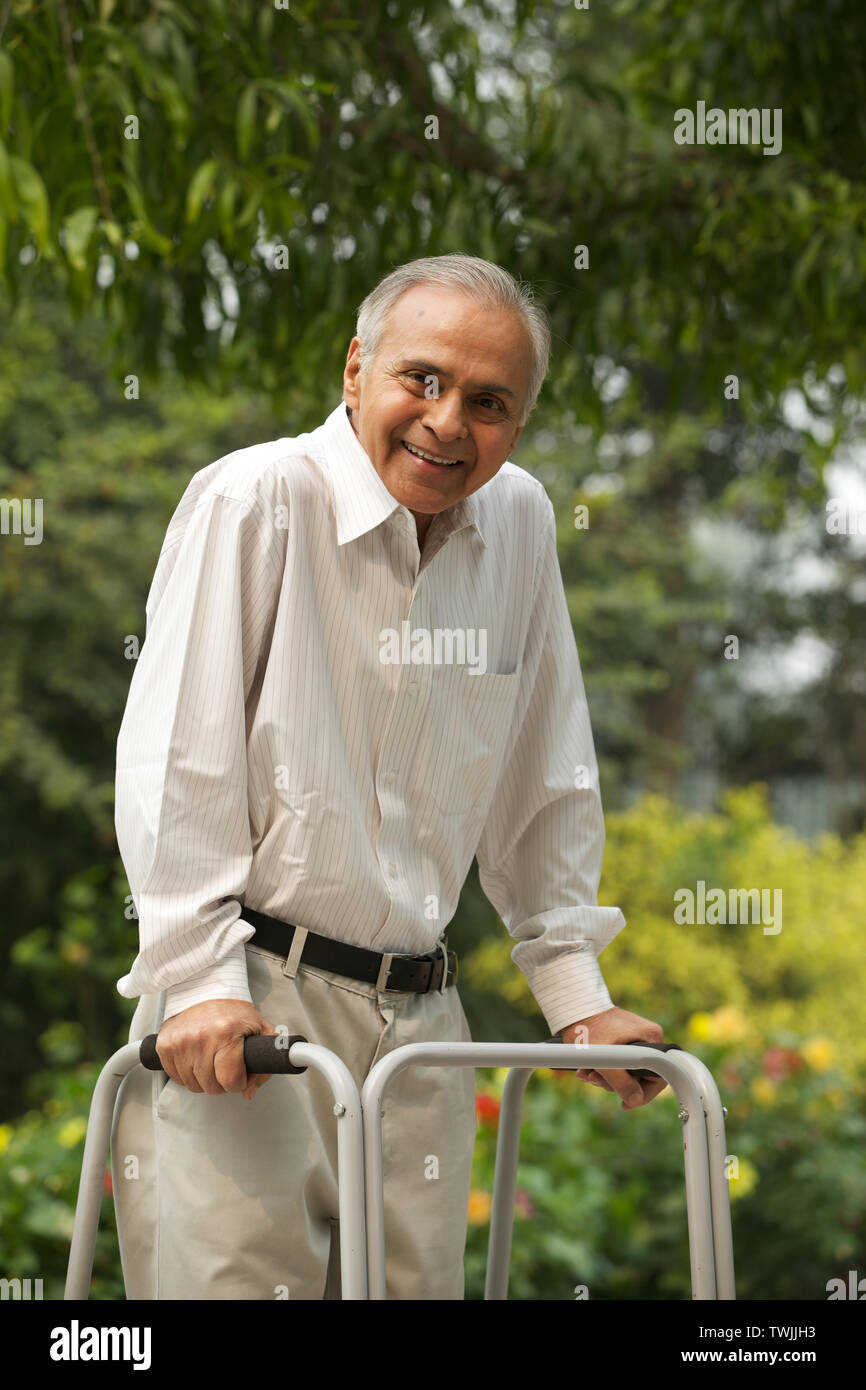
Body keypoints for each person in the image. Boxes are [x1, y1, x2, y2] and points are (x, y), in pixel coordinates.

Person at [110, 253, 667, 1302]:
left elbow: (541, 766)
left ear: (520, 420)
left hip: (422, 1022)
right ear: (355, 369)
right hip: (251, 1006)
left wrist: (575, 995)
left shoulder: (520, 524)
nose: (448, 422)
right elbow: (179, 753)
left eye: (489, 402)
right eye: (422, 379)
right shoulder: (256, 496)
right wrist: (196, 980)